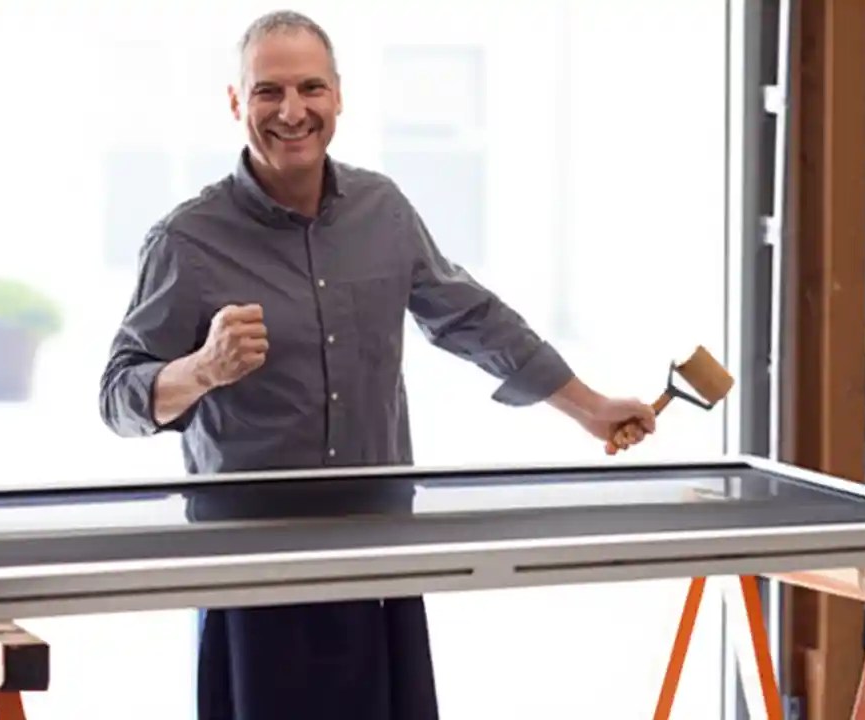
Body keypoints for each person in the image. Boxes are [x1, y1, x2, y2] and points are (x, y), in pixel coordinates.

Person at [98, 10, 657, 720]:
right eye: (268, 92)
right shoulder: (187, 240)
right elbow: (118, 396)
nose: (292, 111)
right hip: (255, 572)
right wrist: (201, 370)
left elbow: (473, 318)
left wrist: (590, 407)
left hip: (381, 554)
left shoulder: (382, 210)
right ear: (237, 103)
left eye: (310, 88)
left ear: (339, 96)